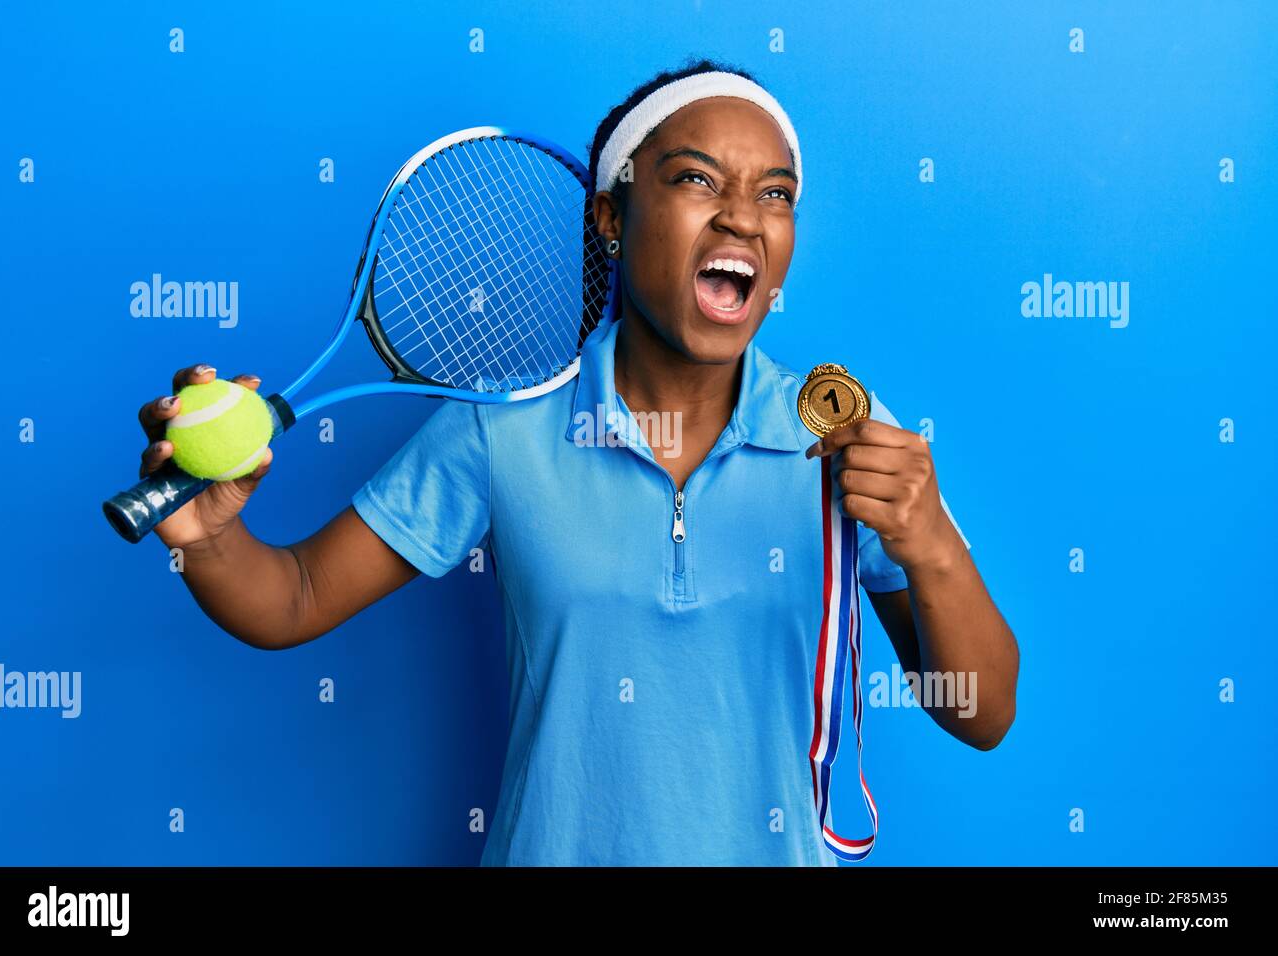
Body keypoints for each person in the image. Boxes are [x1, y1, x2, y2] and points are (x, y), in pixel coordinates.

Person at [133, 58, 1018, 866]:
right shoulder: (502, 428)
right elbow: (294, 598)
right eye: (695, 180)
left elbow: (980, 714)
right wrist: (208, 540)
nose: (743, 215)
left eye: (776, 193)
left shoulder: (841, 436)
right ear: (610, 220)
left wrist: (931, 542)